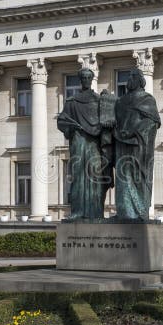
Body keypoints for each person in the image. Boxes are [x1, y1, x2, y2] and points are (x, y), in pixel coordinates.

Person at [57, 68, 115, 220]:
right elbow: (62, 120)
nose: (86, 80)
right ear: (80, 80)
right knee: (78, 176)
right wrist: (71, 126)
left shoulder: (99, 101)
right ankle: (77, 212)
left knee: (95, 176)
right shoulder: (72, 102)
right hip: (78, 142)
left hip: (95, 144)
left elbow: (107, 120)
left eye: (89, 77)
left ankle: (95, 212)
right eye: (83, 77)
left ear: (92, 79)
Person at [113, 68, 161, 220]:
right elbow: (115, 121)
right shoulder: (120, 101)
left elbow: (152, 122)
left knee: (138, 177)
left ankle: (139, 213)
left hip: (139, 145)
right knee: (122, 178)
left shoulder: (147, 99)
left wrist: (134, 131)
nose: (128, 80)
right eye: (128, 77)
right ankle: (124, 212)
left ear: (139, 80)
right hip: (121, 144)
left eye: (132, 77)